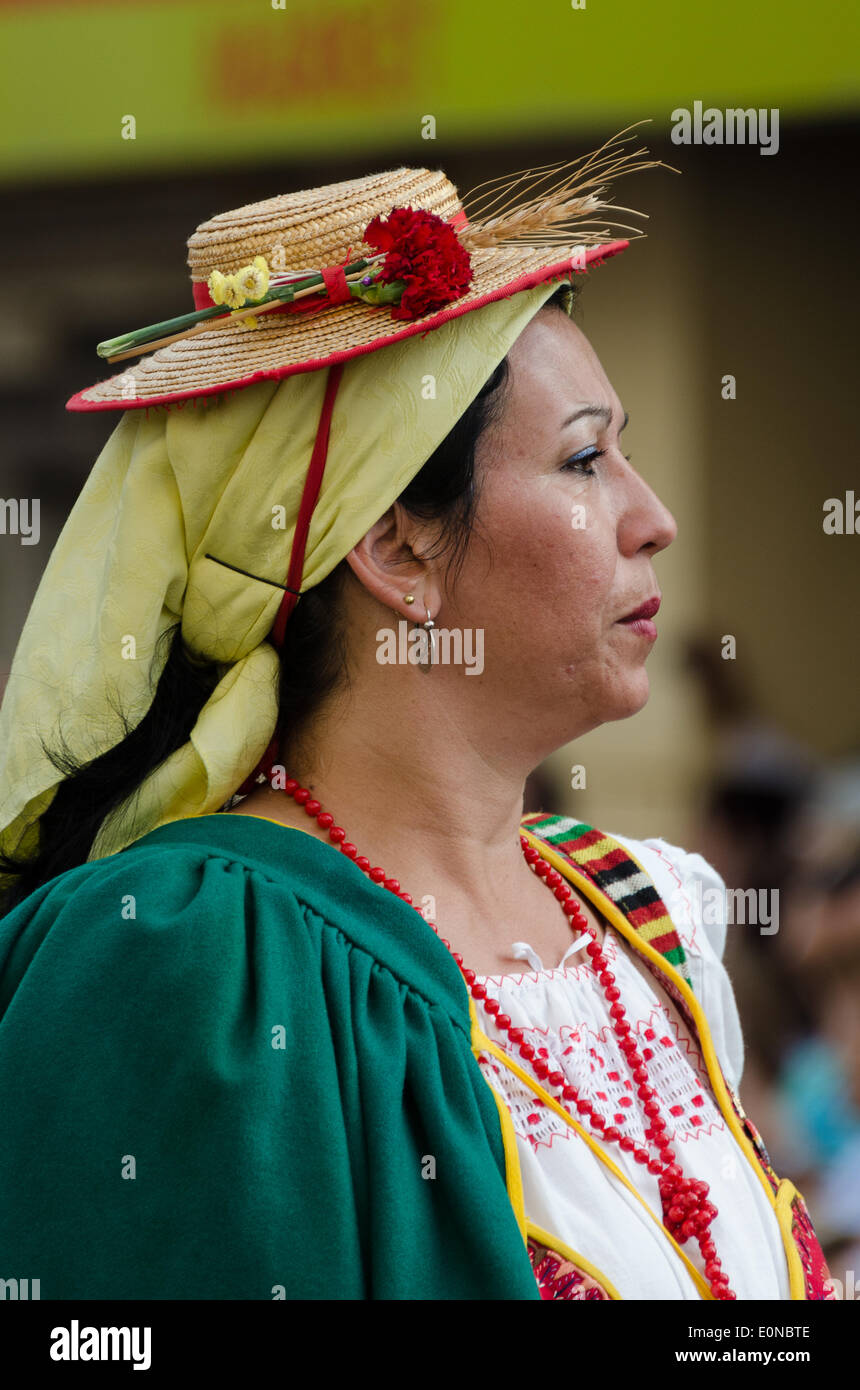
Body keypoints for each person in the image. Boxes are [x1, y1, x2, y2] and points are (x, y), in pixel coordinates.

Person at [0, 133, 834, 1300]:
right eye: (585, 461)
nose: (651, 518)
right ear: (396, 545)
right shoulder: (191, 954)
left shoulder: (648, 912)